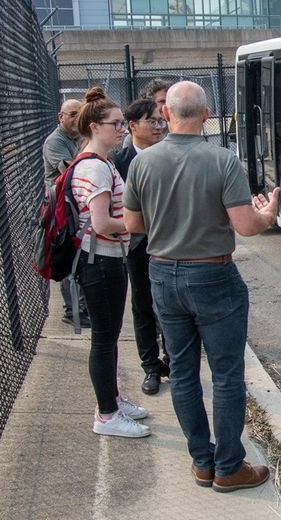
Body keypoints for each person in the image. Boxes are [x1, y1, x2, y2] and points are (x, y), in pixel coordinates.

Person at [123, 81, 281, 492]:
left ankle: (202, 460)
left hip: (162, 273)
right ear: (207, 115)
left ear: (167, 115)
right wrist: (269, 214)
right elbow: (247, 226)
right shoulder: (222, 160)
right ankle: (230, 466)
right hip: (213, 275)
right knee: (227, 374)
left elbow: (133, 226)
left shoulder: (142, 163)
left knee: (184, 371)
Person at [68, 87, 150, 439]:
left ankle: (111, 399)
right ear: (94, 127)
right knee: (104, 338)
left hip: (103, 259)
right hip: (100, 261)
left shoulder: (96, 164)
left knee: (109, 336)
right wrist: (138, 224)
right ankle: (106, 415)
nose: (121, 129)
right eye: (115, 124)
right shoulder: (96, 168)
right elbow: (102, 223)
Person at [111, 97, 170, 396]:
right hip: (137, 246)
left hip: (171, 241)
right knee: (143, 305)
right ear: (133, 125)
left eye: (162, 120)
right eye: (153, 121)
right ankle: (150, 367)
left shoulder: (171, 155)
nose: (160, 126)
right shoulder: (118, 162)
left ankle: (172, 360)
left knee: (171, 305)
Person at [43, 98, 88, 326]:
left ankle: (81, 306)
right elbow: (71, 170)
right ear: (61, 117)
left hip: (74, 206)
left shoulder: (78, 137)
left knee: (79, 256)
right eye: (72, 114)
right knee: (67, 256)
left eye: (79, 114)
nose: (76, 118)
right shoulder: (55, 141)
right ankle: (73, 311)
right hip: (61, 209)